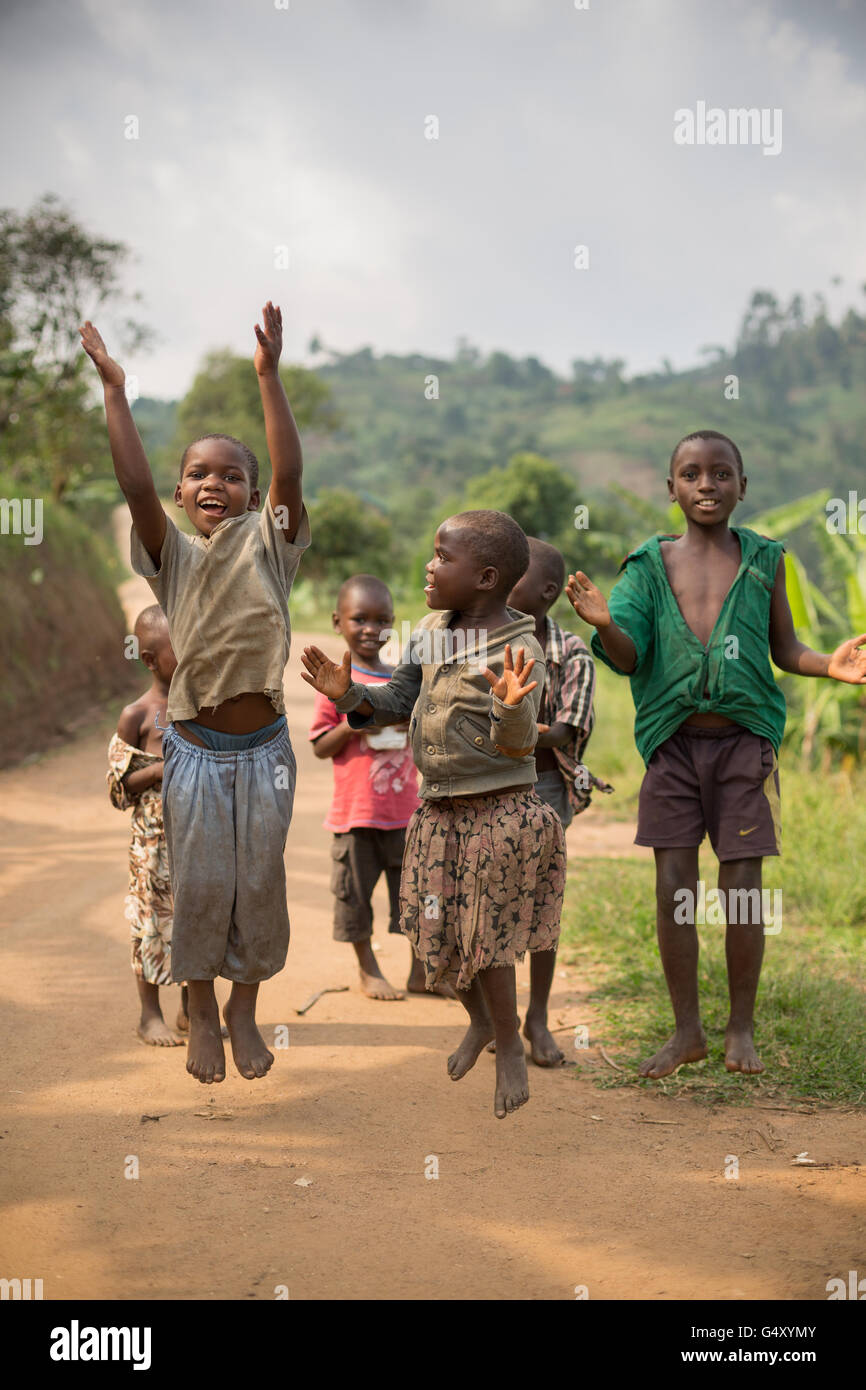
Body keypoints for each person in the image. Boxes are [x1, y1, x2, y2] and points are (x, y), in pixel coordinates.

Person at [566, 429, 866, 1079]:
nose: (708, 485)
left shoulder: (765, 560)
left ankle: (740, 1029)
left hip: (744, 744)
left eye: (722, 473)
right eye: (693, 474)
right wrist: (606, 626)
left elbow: (784, 650)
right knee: (675, 885)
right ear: (670, 488)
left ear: (742, 486)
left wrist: (830, 665)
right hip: (673, 747)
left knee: (743, 889)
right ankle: (686, 1032)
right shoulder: (646, 567)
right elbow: (630, 659)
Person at [81, 301, 310, 1085]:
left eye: (231, 474)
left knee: (259, 883)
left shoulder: (274, 544)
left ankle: (246, 1007)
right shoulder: (170, 560)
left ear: (251, 494)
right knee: (204, 885)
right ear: (182, 494)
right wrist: (116, 390)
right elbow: (133, 481)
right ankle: (203, 1010)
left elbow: (291, 471)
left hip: (266, 748)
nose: (216, 482)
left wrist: (269, 376)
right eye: (199, 473)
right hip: (195, 752)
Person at [301, 510, 566, 1118]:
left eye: (444, 557)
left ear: (486, 577)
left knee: (487, 939)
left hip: (497, 814)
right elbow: (396, 703)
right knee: (433, 935)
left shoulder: (520, 648)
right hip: (438, 811)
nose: (430, 565)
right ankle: (480, 1022)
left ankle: (509, 1049)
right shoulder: (428, 632)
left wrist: (512, 709)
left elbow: (518, 743)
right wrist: (347, 695)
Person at [502, 536, 610, 1066]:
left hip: (543, 787)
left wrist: (509, 728)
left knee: (541, 902)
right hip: (486, 783)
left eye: (512, 573)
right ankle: (494, 1019)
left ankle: (537, 1017)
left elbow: (566, 729)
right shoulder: (471, 637)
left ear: (546, 592)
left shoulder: (571, 652)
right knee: (489, 898)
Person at [310, 573, 428, 1001]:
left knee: (417, 895)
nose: (371, 630)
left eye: (382, 621)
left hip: (406, 812)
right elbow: (321, 746)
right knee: (355, 897)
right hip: (356, 813)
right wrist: (355, 722)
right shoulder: (336, 680)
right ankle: (369, 970)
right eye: (359, 619)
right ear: (337, 621)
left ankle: (421, 972)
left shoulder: (402, 680)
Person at [107, 605, 186, 1045]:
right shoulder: (136, 715)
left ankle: (194, 1011)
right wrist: (157, 771)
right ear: (150, 660)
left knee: (196, 921)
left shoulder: (204, 706)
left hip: (196, 839)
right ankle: (149, 1014)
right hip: (152, 848)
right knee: (149, 927)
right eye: (180, 648)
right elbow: (119, 788)